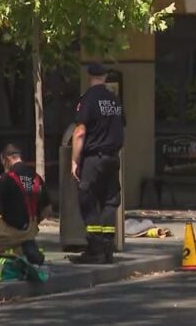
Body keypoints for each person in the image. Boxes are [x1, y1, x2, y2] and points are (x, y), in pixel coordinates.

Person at [70, 63, 125, 265]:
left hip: (94, 159)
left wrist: (74, 160)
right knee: (110, 201)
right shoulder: (115, 100)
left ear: (89, 76)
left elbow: (80, 132)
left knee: (88, 200)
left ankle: (95, 249)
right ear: (105, 77)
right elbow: (121, 127)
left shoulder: (88, 99)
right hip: (113, 157)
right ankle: (107, 249)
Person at [0, 144, 50, 265]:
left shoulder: (7, 178)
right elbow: (48, 209)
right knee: (15, 245)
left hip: (12, 230)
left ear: (7, 159)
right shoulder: (37, 178)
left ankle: (22, 248)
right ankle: (25, 246)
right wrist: (34, 221)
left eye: (3, 163)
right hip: (32, 228)